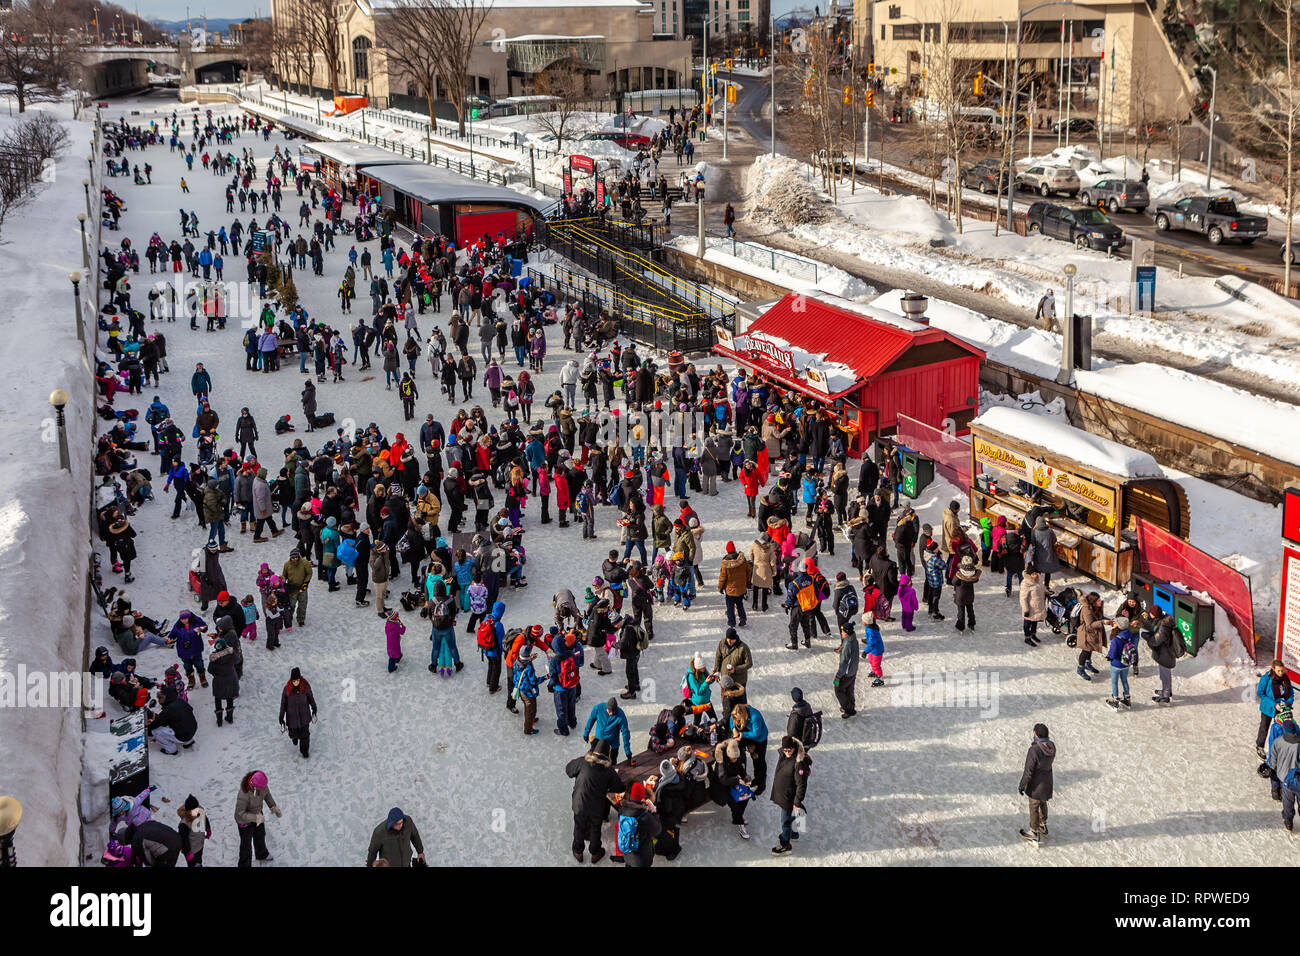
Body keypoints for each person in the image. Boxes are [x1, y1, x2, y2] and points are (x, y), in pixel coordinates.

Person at [565, 739, 626, 863]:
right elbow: (619, 788)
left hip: (579, 803)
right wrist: (608, 785)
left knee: (579, 826)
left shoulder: (583, 762)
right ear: (607, 755)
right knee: (595, 828)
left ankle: (578, 851)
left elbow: (568, 769)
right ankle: (595, 852)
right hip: (596, 807)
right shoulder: (608, 771)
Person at [770, 735, 811, 854]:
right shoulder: (783, 754)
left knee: (785, 821)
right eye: (785, 750)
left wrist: (797, 802)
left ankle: (785, 845)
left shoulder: (799, 763)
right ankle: (793, 834)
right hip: (783, 795)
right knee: (789, 819)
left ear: (793, 748)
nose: (787, 752)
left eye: (789, 750)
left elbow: (801, 785)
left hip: (789, 799)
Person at [234, 770, 281, 867]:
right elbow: (239, 814)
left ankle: (261, 854)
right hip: (245, 822)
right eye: (261, 787)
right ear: (254, 786)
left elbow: (267, 794)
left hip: (257, 814)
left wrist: (273, 806)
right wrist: (256, 818)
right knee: (246, 846)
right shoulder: (244, 794)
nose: (264, 788)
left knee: (260, 835)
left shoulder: (261, 784)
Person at [1018, 723, 1055, 846]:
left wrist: (1022, 785)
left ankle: (1034, 833)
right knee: (1043, 802)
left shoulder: (1034, 750)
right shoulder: (1052, 747)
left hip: (1036, 785)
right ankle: (1042, 824)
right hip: (1047, 782)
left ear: (1036, 734)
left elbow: (1028, 771)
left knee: (1034, 806)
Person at [614, 781, 662, 867]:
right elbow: (657, 830)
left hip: (627, 850)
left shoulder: (622, 809)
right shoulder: (645, 816)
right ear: (642, 796)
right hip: (642, 857)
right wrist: (654, 813)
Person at [1256, 659, 1295, 758]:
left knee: (1281, 728)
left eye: (1282, 670)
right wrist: (1273, 704)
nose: (1281, 673)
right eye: (1278, 671)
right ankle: (1260, 746)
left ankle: (1279, 749)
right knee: (1264, 727)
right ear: (1273, 669)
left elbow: (1291, 694)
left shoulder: (1286, 679)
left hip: (1282, 708)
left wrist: (1287, 703)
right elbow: (1260, 693)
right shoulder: (1266, 678)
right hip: (1268, 708)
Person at [279, 667, 318, 758]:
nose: (295, 682)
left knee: (305, 735)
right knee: (294, 734)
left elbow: (311, 698)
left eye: (297, 680)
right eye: (294, 681)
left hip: (304, 716)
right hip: (292, 718)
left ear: (300, 679)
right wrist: (281, 717)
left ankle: (304, 751)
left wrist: (314, 709)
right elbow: (283, 704)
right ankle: (294, 738)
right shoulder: (287, 689)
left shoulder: (305, 686)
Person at [584, 696, 633, 765]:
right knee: (597, 761)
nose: (611, 714)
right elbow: (591, 720)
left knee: (612, 763)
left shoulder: (620, 715)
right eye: (609, 711)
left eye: (614, 712)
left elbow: (625, 733)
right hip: (599, 741)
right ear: (606, 708)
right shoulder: (598, 708)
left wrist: (628, 752)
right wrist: (586, 733)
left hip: (613, 743)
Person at [1144, 607, 1178, 704]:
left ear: (1154, 614)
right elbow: (1155, 628)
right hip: (1165, 653)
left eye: (1150, 613)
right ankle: (1166, 690)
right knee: (1165, 673)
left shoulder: (1164, 626)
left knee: (1165, 675)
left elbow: (1155, 641)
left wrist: (1147, 637)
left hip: (1165, 654)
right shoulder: (1163, 621)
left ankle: (1165, 696)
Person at [717, 540, 751, 629]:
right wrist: (747, 582)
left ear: (727, 550)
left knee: (730, 606)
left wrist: (720, 588)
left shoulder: (725, 564)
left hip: (730, 590)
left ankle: (732, 622)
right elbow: (748, 571)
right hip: (741, 589)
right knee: (740, 604)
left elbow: (722, 577)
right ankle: (743, 619)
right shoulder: (742, 560)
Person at [1106, 617, 1137, 710]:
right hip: (1126, 664)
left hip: (1116, 664)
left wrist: (1109, 657)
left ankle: (1115, 701)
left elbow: (1112, 654)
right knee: (1124, 680)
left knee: (1114, 682)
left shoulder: (1116, 640)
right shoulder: (1130, 635)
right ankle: (1127, 699)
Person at [834, 622, 858, 718]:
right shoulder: (853, 638)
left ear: (847, 633)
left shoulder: (848, 644)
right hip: (853, 670)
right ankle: (851, 707)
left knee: (838, 689)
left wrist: (838, 676)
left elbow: (844, 663)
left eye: (843, 632)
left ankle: (848, 709)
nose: (841, 633)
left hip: (846, 673)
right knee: (849, 689)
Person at [1019, 570, 1047, 646]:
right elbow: (1022, 598)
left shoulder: (1038, 579)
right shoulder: (1025, 583)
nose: (1035, 575)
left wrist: (1047, 592)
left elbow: (1042, 587)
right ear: (1029, 574)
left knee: (1035, 620)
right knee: (1027, 623)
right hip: (1029, 607)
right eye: (1033, 574)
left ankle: (1033, 634)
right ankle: (1027, 638)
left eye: (1036, 573)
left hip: (1037, 606)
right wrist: (1026, 610)